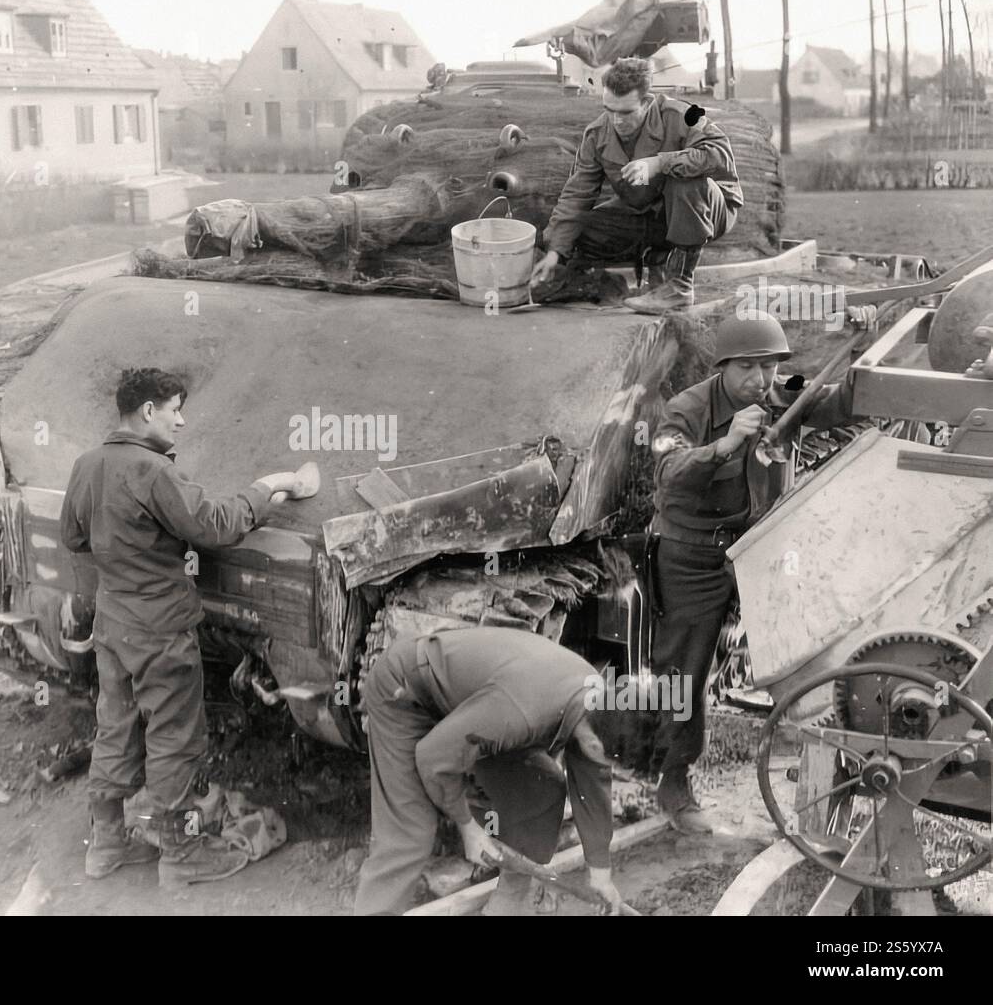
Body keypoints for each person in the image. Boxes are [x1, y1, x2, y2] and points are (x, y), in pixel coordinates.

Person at [60, 367, 315, 884]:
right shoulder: (153, 472)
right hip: (160, 629)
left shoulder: (87, 465)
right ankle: (181, 856)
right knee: (174, 738)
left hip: (114, 626)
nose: (183, 419)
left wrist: (126, 556)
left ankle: (106, 846)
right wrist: (265, 489)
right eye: (175, 408)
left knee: (115, 727)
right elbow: (213, 526)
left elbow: (72, 537)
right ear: (148, 412)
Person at [648, 308, 876, 833]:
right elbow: (667, 474)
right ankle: (674, 783)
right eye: (748, 367)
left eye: (769, 366)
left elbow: (844, 403)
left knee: (809, 646)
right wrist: (724, 445)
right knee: (683, 670)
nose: (761, 379)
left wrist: (861, 348)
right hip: (693, 555)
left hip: (764, 547)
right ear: (724, 367)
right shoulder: (688, 409)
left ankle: (823, 767)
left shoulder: (782, 396)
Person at [353, 626, 622, 916]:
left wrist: (600, 873)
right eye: (604, 759)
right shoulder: (524, 713)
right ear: (594, 743)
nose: (600, 765)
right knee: (411, 834)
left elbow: (592, 784)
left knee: (544, 789)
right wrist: (468, 826)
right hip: (406, 694)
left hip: (475, 710)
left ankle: (508, 905)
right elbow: (433, 758)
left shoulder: (597, 703)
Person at [529, 56, 743, 314]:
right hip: (648, 215)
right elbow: (577, 195)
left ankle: (680, 287)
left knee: (684, 180)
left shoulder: (683, 114)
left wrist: (660, 163)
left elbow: (720, 155)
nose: (616, 120)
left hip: (707, 209)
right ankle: (604, 283)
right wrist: (556, 253)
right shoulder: (597, 135)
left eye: (626, 112)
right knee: (578, 228)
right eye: (609, 109)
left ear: (647, 102)